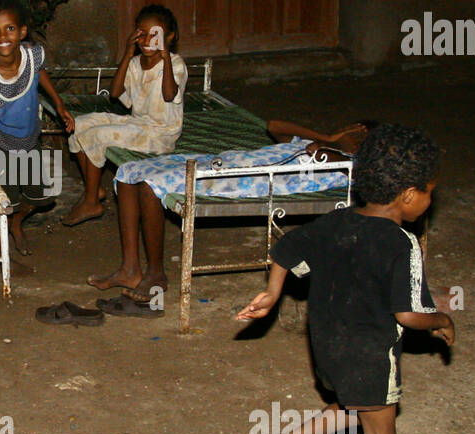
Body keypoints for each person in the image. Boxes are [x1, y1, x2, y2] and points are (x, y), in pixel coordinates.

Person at [235, 123, 455, 434]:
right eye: (430, 191)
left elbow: (288, 247)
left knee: (352, 404)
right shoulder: (402, 243)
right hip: (368, 351)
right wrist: (443, 321)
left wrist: (272, 291)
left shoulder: (336, 220)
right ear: (408, 195)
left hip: (326, 344)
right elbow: (409, 315)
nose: (431, 200)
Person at [89, 120, 373, 302]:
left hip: (243, 179)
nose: (349, 131)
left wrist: (335, 143)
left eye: (357, 133)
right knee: (128, 172)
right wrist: (329, 133)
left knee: (150, 185)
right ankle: (130, 268)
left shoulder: (348, 165)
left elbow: (315, 150)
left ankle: (155, 273)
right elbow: (275, 126)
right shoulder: (324, 143)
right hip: (227, 162)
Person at [0, 0, 74, 257]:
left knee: (41, 196)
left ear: (22, 32)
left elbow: (39, 71)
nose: (3, 36)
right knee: (4, 203)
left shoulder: (33, 54)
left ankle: (16, 224)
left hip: (28, 136)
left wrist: (59, 104)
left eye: (10, 28)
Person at [62, 4, 188, 227]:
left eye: (155, 35)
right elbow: (115, 92)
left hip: (160, 133)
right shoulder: (134, 64)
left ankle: (91, 200)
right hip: (138, 123)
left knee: (97, 136)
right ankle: (95, 190)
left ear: (169, 37)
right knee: (78, 125)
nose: (147, 40)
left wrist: (165, 56)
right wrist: (128, 53)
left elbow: (169, 94)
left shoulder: (176, 64)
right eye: (142, 34)